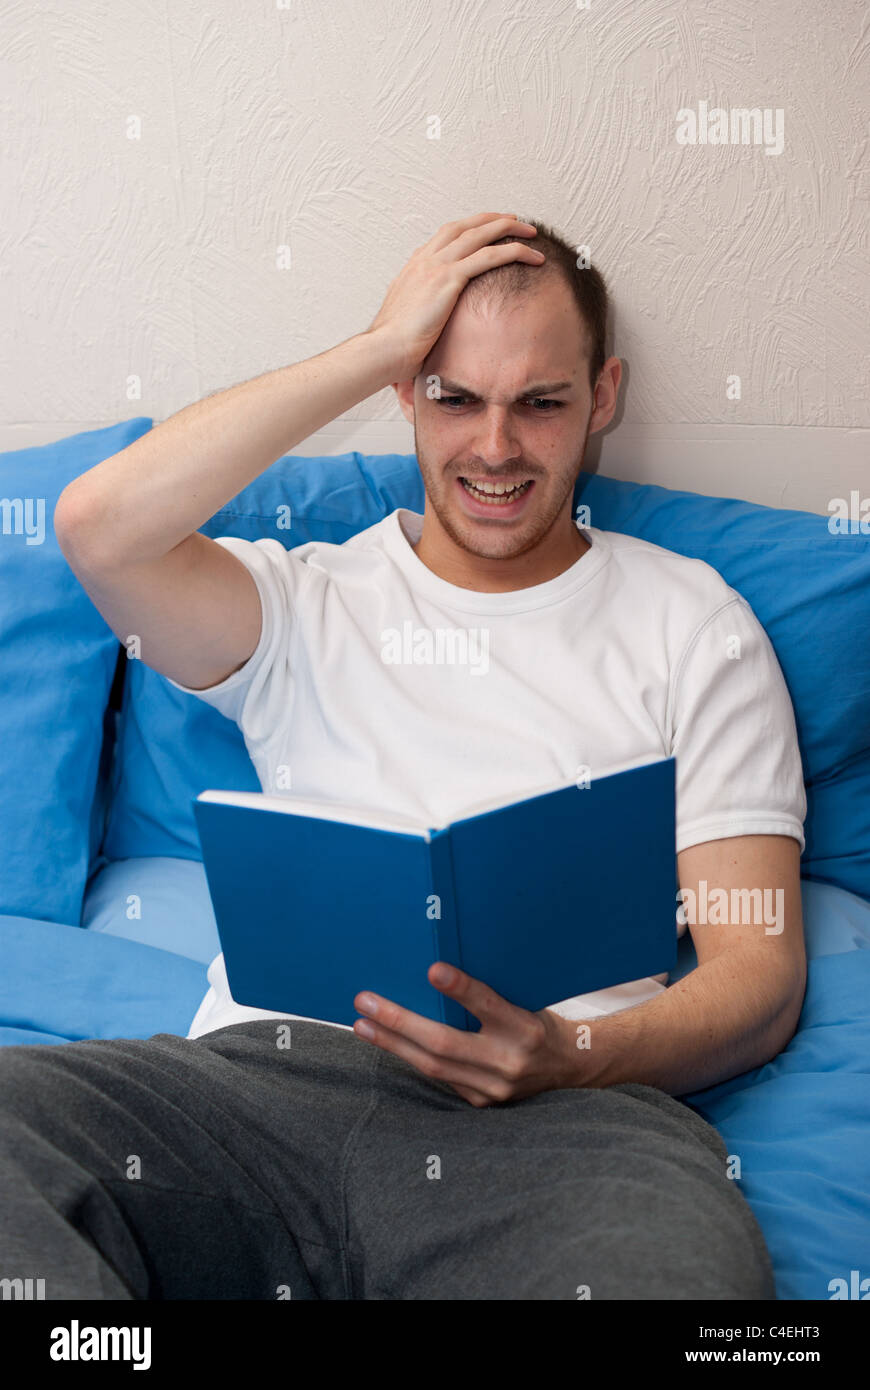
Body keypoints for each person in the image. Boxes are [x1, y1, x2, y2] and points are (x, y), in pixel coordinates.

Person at [1, 213, 806, 1300]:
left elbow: (759, 975)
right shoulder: (305, 597)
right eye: (453, 395)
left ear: (602, 398)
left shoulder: (694, 624)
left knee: (694, 1292)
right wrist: (376, 349)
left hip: (566, 1123)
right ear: (407, 396)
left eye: (541, 402)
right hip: (259, 1095)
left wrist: (570, 1057)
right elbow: (100, 528)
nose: (494, 447)